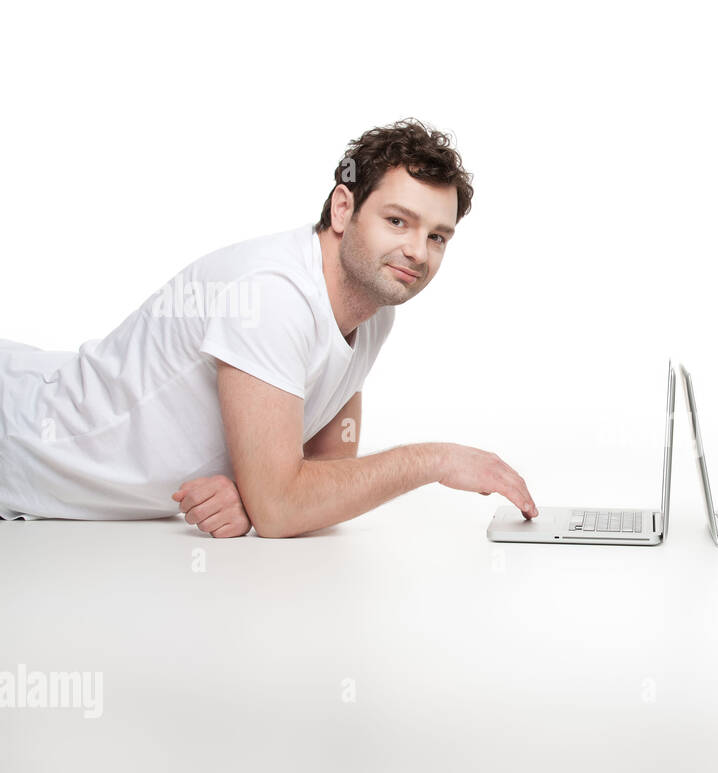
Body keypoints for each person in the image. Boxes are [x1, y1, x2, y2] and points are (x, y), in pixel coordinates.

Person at [0, 118, 538, 537]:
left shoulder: (374, 309)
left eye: (438, 236)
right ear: (343, 208)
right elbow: (284, 507)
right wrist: (436, 460)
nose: (417, 252)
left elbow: (324, 468)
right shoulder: (271, 295)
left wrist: (254, 492)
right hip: (17, 434)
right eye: (397, 221)